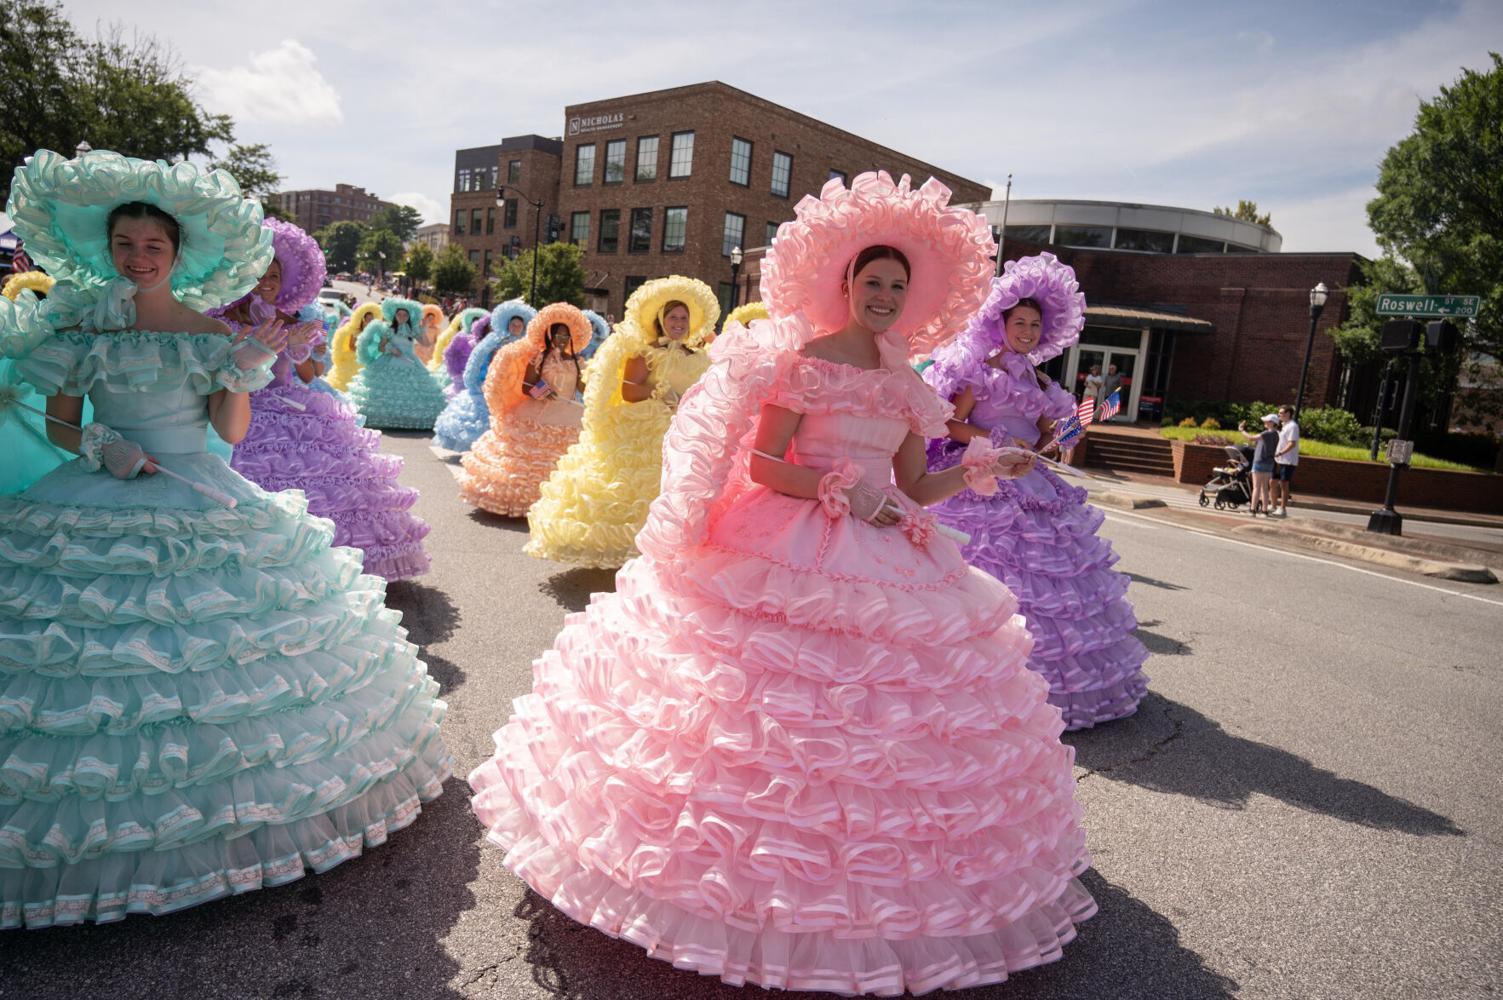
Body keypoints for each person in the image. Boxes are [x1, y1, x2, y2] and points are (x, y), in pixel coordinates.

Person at [470, 172, 1095, 994]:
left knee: (891, 733)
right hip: (792, 536)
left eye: (896, 287)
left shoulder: (908, 384)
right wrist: (839, 491)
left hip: (890, 549)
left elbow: (914, 487)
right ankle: (727, 893)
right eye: (871, 282)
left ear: (913, 298)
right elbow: (765, 465)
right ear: (845, 284)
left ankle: (866, 902)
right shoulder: (801, 362)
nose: (882, 296)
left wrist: (982, 465)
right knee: (759, 722)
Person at [0, 148, 450, 928]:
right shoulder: (83, 327)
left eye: (153, 247)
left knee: (217, 663)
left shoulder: (210, 335)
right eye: (126, 246)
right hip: (95, 492)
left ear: (177, 255)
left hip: (193, 487)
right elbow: (63, 422)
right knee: (82, 671)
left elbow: (228, 432)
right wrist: (103, 444)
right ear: (106, 250)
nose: (138, 259)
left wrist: (241, 370)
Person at [924, 253, 1149, 729]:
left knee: (1053, 578)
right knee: (987, 570)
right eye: (1019, 321)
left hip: (1031, 476)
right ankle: (975, 681)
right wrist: (998, 443)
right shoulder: (982, 371)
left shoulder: (1041, 379)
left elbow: (1050, 434)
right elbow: (950, 423)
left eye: (1034, 324)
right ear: (1000, 323)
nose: (1026, 330)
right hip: (984, 473)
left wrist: (1072, 429)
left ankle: (1044, 687)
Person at [216, 219, 432, 580]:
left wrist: (298, 346)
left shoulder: (291, 321)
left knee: (335, 485)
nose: (267, 282)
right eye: (259, 274)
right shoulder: (223, 321)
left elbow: (305, 376)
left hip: (292, 410)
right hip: (239, 414)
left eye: (274, 275)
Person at [523, 276, 719, 568]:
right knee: (640, 488)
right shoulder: (644, 352)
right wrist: (660, 393)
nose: (678, 322)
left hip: (690, 428)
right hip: (648, 428)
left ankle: (680, 546)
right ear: (661, 320)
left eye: (683, 318)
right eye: (673, 317)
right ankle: (638, 548)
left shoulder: (700, 356)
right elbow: (629, 390)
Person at [457, 303, 588, 515]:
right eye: (558, 335)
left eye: (566, 335)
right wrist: (543, 392)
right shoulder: (539, 358)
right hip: (540, 411)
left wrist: (593, 383)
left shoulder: (576, 361)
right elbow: (527, 386)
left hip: (570, 411)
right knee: (530, 459)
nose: (562, 339)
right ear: (549, 336)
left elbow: (583, 386)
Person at [431, 299, 535, 453]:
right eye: (513, 324)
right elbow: (477, 359)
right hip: (492, 384)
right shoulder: (495, 341)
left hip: (516, 389)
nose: (516, 328)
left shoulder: (528, 345)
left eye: (519, 325)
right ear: (507, 325)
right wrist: (474, 382)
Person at [347, 297, 449, 430]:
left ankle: (410, 418)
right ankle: (384, 417)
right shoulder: (387, 328)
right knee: (384, 390)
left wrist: (423, 328)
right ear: (394, 315)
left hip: (411, 362)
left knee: (413, 391)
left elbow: (426, 344)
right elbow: (381, 347)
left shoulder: (411, 330)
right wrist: (391, 349)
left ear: (409, 316)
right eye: (399, 314)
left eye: (405, 314)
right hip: (389, 361)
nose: (402, 317)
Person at [329, 302, 381, 391]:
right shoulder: (355, 331)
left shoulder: (375, 334)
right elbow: (351, 346)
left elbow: (376, 350)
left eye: (372, 319)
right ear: (363, 319)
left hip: (367, 363)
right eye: (368, 319)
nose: (370, 321)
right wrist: (362, 348)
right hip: (354, 361)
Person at [1239, 413, 1281, 515]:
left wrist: (1241, 430)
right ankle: (1264, 511)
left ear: (1272, 423)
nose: (1265, 422)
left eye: (1266, 421)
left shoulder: (1266, 433)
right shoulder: (1276, 434)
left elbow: (1250, 438)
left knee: (1256, 487)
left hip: (1259, 461)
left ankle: (1252, 510)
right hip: (1269, 463)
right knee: (1265, 488)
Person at [1273, 403, 1299, 515]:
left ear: (1288, 414)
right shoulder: (1283, 425)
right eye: (1278, 413)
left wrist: (1280, 453)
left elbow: (1292, 444)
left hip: (1287, 460)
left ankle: (1282, 508)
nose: (1279, 415)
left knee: (1284, 483)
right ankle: (1273, 506)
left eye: (1281, 413)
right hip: (1278, 459)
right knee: (1272, 481)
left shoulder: (1292, 426)